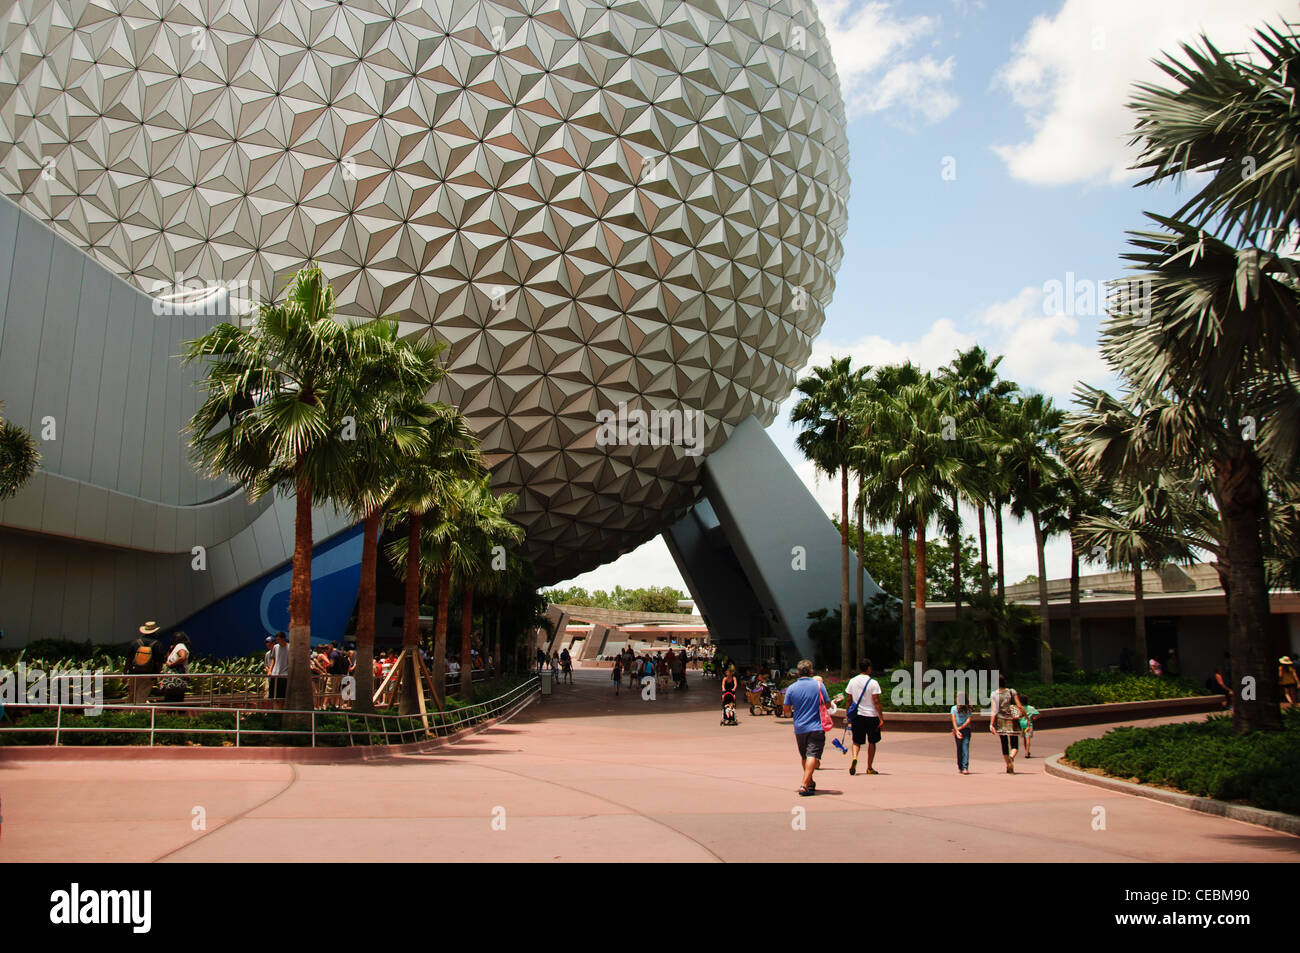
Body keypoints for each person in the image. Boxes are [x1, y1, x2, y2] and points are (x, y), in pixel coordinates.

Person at [781, 659, 830, 796]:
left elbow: (786, 710)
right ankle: (804, 784)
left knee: (805, 756)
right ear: (811, 672)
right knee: (812, 755)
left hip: (800, 727)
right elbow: (827, 705)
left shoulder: (791, 688)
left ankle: (810, 782)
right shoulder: (819, 686)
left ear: (798, 672)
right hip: (816, 726)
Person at [843, 659, 882, 776]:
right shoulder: (873, 683)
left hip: (858, 716)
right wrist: (881, 717)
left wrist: (847, 714)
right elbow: (876, 701)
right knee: (872, 741)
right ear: (869, 668)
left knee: (856, 741)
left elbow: (849, 699)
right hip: (872, 716)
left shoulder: (852, 681)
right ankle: (869, 767)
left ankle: (855, 757)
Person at [989, 675, 1023, 774]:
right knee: (1014, 744)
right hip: (1012, 720)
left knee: (1004, 743)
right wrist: (1024, 715)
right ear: (1005, 682)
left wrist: (991, 724)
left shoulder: (994, 694)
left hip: (1001, 721)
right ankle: (1011, 758)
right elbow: (1019, 705)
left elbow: (994, 710)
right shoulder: (1012, 692)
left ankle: (1008, 763)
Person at [125, 621, 163, 706]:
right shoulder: (157, 645)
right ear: (155, 632)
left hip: (134, 674)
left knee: (131, 696)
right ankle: (137, 715)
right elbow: (159, 662)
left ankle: (127, 715)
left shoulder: (135, 643)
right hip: (148, 675)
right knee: (141, 696)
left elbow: (128, 660)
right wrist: (156, 675)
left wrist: (125, 673)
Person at [160, 631, 191, 706]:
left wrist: (172, 664)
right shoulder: (176, 647)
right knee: (173, 701)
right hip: (173, 681)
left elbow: (183, 657)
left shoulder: (180, 646)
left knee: (173, 701)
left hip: (175, 680)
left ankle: (173, 716)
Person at [950, 692, 973, 774]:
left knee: (965, 747)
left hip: (965, 730)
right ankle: (960, 766)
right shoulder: (953, 708)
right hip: (958, 730)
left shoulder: (968, 709)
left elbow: (969, 720)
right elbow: (954, 720)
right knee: (959, 748)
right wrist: (957, 730)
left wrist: (959, 729)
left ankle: (965, 767)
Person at [270, 631, 289, 705]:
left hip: (284, 674)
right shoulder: (275, 647)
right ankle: (272, 713)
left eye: (279, 640)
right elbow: (273, 659)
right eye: (276, 640)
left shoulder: (289, 647)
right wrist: (270, 670)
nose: (278, 641)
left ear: (283, 639)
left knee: (281, 696)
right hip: (275, 674)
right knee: (272, 696)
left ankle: (280, 712)